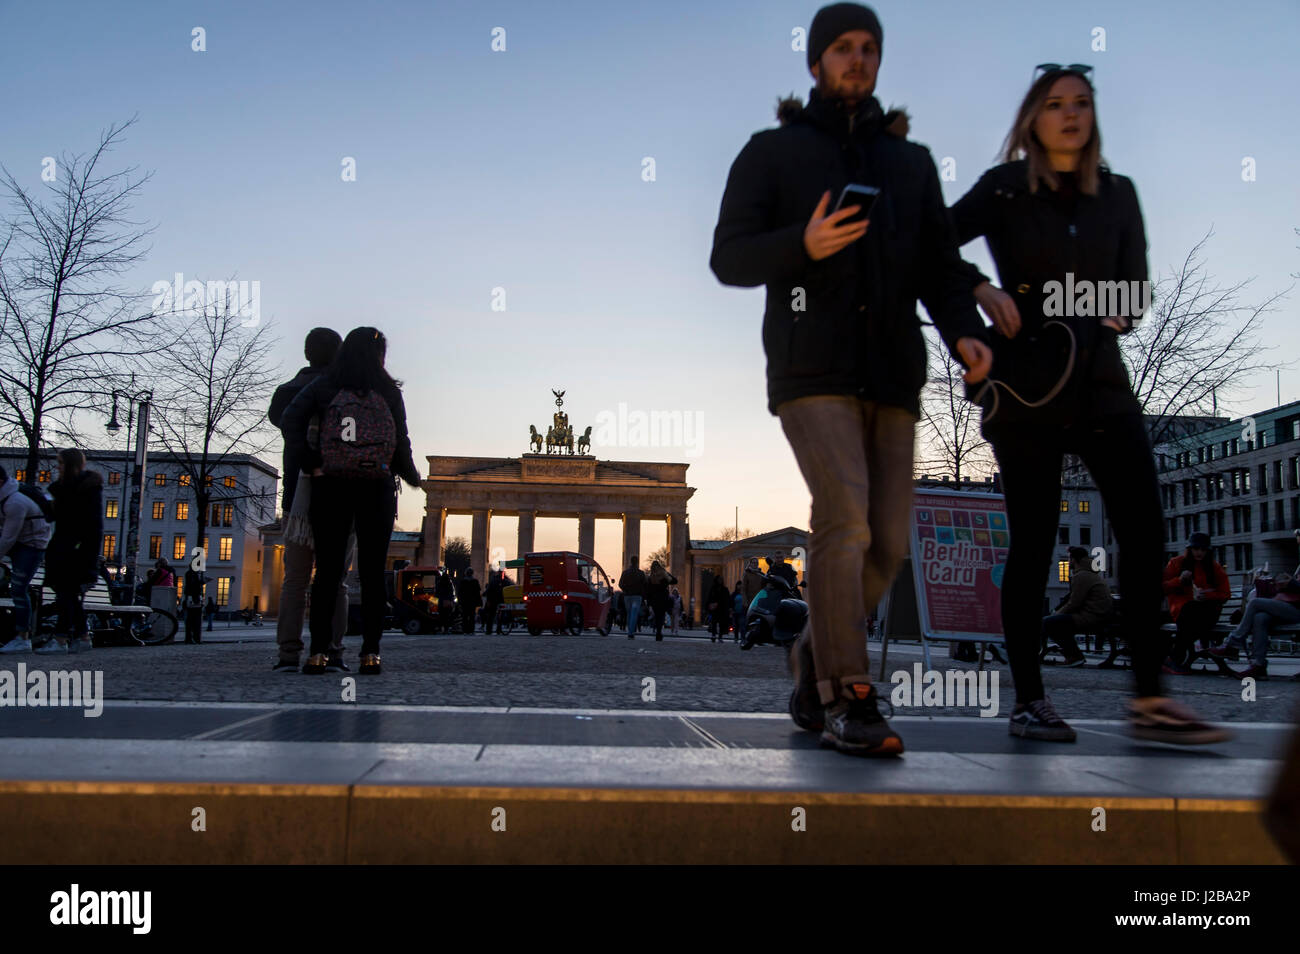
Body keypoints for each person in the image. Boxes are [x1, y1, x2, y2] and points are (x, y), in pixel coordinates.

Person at [710, 3, 992, 756]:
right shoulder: (772, 152)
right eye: (843, 47)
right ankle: (847, 693)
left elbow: (938, 263)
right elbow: (728, 257)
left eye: (870, 47)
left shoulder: (911, 162)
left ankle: (810, 656)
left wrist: (966, 327)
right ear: (814, 62)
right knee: (845, 517)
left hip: (894, 372)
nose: (857, 58)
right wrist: (800, 243)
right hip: (811, 369)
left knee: (888, 544)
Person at [948, 64, 1228, 744]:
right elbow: (929, 242)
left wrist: (1098, 307)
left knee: (1145, 530)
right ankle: (1029, 699)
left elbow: (1135, 291)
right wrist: (978, 291)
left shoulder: (1119, 194)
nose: (1070, 114)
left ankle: (1150, 700)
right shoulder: (1005, 188)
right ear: (1032, 118)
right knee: (1034, 543)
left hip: (1102, 385)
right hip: (1025, 388)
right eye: (1054, 104)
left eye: (1081, 103)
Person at [281, 326, 422, 675]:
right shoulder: (388, 390)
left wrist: (311, 463)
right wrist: (411, 476)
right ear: (381, 356)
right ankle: (370, 654)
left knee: (327, 572)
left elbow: (290, 420)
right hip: (375, 485)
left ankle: (317, 654)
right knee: (374, 573)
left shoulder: (326, 385)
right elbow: (401, 438)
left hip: (332, 484)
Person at [269, 327, 355, 672]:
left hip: (298, 499)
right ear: (338, 356)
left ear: (306, 354)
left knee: (295, 580)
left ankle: (288, 653)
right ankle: (333, 651)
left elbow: (283, 424)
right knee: (335, 580)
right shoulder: (348, 393)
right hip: (339, 495)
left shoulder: (285, 394)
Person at [37, 450, 103, 654]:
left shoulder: (76, 490)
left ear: (69, 465)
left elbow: (86, 523)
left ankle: (61, 638)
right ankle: (81, 636)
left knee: (66, 593)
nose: (58, 467)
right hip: (72, 547)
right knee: (69, 595)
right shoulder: (80, 489)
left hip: (71, 549)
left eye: (60, 463)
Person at [1161, 533, 1231, 675]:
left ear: (1207, 551)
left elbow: (1225, 593)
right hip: (1183, 610)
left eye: (1203, 549)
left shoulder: (1214, 567)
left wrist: (1208, 595)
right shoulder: (1176, 563)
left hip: (1205, 611)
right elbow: (1163, 587)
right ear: (1190, 549)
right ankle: (1175, 658)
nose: (1199, 552)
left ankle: (1173, 659)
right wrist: (1179, 580)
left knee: (1198, 611)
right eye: (1196, 549)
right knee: (1190, 610)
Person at [0, 466, 52, 654]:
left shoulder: (15, 502)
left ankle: (23, 637)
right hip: (23, 542)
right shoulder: (7, 496)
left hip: (32, 546)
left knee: (19, 589)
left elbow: (8, 538)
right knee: (17, 589)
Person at [1209, 572, 1300, 679]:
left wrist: (1291, 583)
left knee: (1255, 603)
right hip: (1287, 607)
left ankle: (1233, 643)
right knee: (1260, 618)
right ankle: (1258, 665)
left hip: (1296, 610)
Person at [1040, 546, 1113, 667]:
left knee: (1048, 622)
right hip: (1098, 615)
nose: (1068, 562)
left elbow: (1074, 603)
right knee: (1054, 621)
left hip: (1092, 617)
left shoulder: (1081, 576)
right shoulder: (1091, 574)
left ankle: (1074, 656)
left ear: (1074, 559)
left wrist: (1057, 614)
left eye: (1069, 559)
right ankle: (1073, 655)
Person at [643, 560, 677, 641]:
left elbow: (648, 590)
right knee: (661, 616)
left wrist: (648, 601)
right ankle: (659, 632)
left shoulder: (650, 577)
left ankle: (658, 632)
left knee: (657, 616)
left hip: (654, 599)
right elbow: (675, 581)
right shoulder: (664, 574)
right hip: (663, 598)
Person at [618, 556, 647, 639]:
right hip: (637, 596)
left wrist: (625, 590)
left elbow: (620, 584)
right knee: (634, 613)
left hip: (627, 596)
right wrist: (642, 594)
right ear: (637, 562)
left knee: (629, 613)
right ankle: (631, 632)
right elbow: (645, 584)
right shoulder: (641, 573)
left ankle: (630, 630)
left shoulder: (625, 572)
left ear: (630, 562)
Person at [182, 563, 210, 644]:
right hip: (194, 599)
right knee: (195, 620)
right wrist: (202, 582)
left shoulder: (190, 574)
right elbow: (194, 586)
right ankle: (194, 638)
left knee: (191, 620)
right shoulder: (193, 574)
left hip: (192, 598)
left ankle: (191, 638)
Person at [457, 567, 482, 635]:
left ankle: (465, 630)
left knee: (464, 616)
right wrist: (479, 602)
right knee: (471, 616)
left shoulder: (463, 581)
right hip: (472, 602)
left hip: (465, 602)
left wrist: (460, 601)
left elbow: (459, 592)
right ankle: (471, 630)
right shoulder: (475, 581)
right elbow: (477, 593)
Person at [706, 576, 730, 643]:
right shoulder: (713, 589)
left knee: (721, 623)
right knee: (714, 623)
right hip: (715, 609)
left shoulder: (725, 589)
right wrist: (710, 605)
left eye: (721, 580)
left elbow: (727, 599)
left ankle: (720, 636)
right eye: (719, 580)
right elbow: (709, 598)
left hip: (722, 609)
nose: (720, 581)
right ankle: (713, 635)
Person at [482, 570, 505, 634]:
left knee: (491, 615)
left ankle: (489, 630)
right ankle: (498, 629)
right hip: (501, 599)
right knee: (500, 615)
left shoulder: (493, 580)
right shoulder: (504, 580)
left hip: (493, 600)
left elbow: (489, 590)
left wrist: (487, 598)